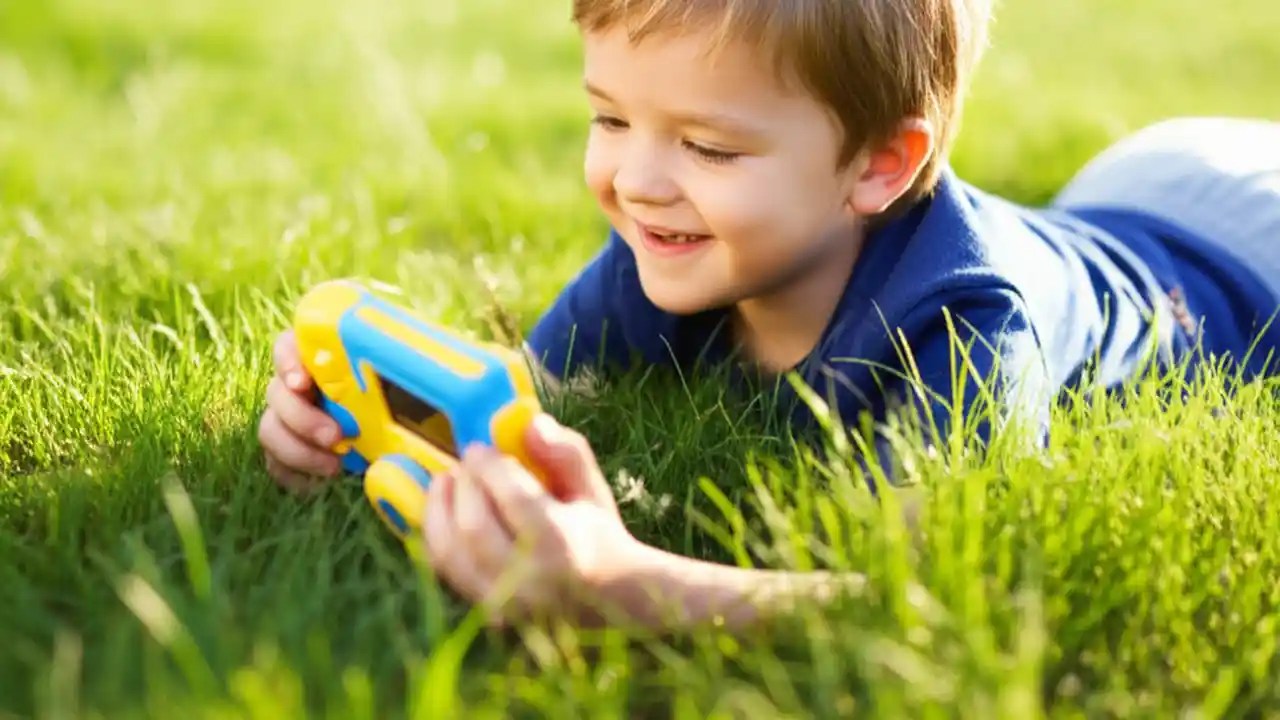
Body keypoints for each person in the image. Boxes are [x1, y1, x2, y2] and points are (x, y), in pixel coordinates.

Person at [256, 0, 1280, 630]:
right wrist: (347, 418)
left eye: (707, 147)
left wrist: (627, 582)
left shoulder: (966, 325)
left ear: (879, 163)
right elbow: (528, 395)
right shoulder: (671, 245)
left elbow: (913, 594)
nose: (638, 182)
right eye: (610, 117)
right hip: (1130, 182)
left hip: (1247, 251)